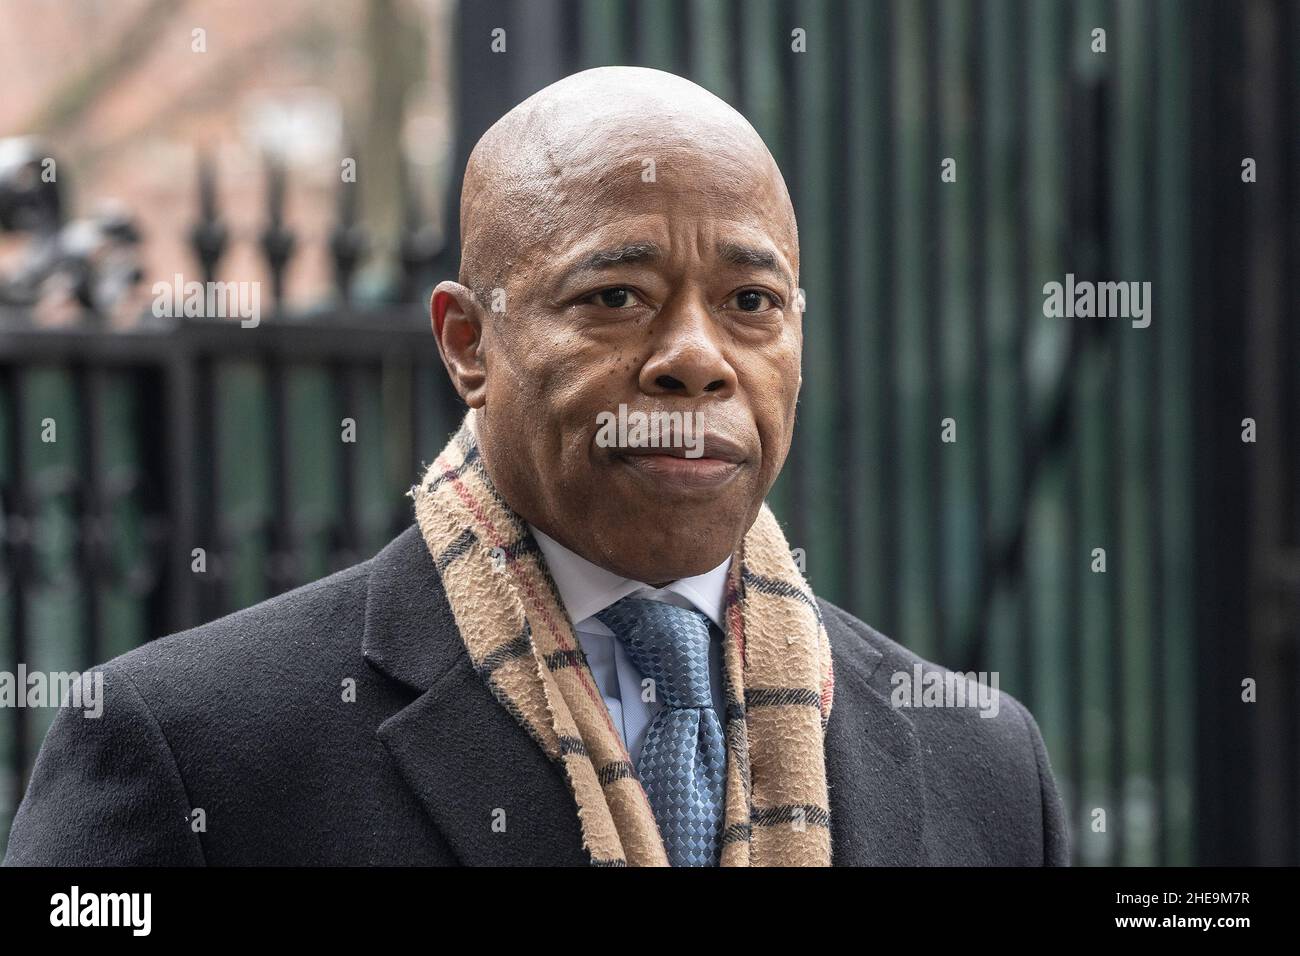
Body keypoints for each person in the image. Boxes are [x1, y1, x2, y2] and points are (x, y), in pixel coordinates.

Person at [4, 66, 1068, 867]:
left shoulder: (984, 762)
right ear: (469, 342)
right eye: (614, 297)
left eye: (752, 303)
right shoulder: (192, 752)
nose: (696, 359)